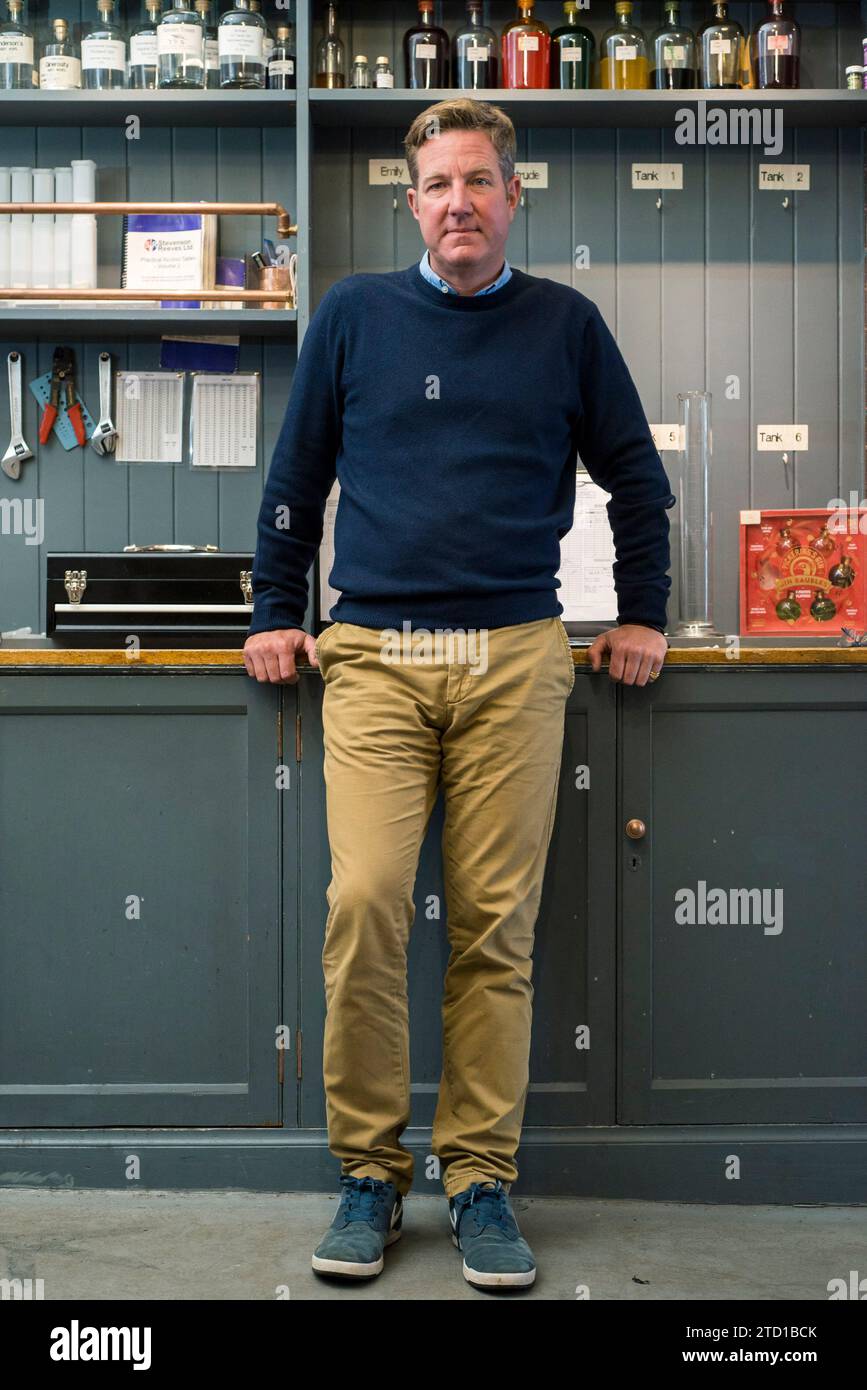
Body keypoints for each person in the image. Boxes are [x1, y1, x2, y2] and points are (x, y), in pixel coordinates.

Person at [244, 96, 675, 1292]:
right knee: (368, 905)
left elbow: (639, 481)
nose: (458, 204)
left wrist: (644, 610)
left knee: (496, 928)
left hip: (515, 658)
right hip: (375, 653)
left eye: (479, 181)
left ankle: (479, 1177)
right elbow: (295, 481)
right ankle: (371, 1176)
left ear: (512, 195)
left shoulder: (566, 326)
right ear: (412, 200)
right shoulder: (352, 317)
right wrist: (278, 610)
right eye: (437, 185)